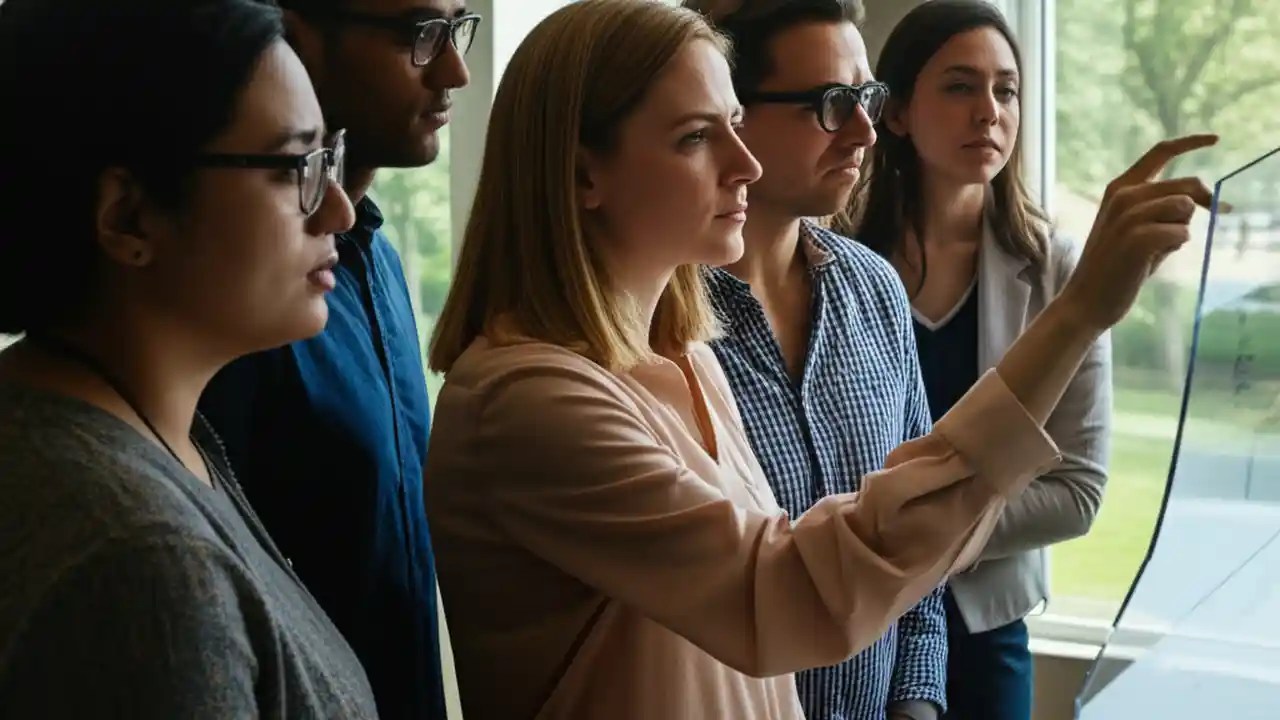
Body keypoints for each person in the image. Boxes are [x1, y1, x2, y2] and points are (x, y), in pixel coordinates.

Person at [422, 1, 1212, 718]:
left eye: (735, 124)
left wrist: (917, 698)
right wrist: (1074, 318)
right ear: (583, 170)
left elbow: (846, 591)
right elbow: (787, 594)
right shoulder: (530, 401)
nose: (746, 164)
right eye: (698, 136)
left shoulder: (681, 354)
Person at [0, 0, 374, 717]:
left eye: (330, 159)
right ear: (128, 217)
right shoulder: (139, 562)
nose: (338, 210)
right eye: (296, 164)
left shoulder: (142, 438)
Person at [832, 2, 1116, 717]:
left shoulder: (1057, 274)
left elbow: (1077, 492)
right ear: (894, 113)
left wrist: (921, 535)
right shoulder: (830, 264)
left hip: (985, 632)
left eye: (1006, 90)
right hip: (842, 619)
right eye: (960, 87)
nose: (989, 112)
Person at [198, 1, 478, 718]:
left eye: (457, 28)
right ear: (298, 35)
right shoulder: (238, 303)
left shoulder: (380, 265)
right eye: (420, 35)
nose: (456, 69)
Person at [686, 1, 945, 717]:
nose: (865, 130)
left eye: (867, 97)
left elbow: (917, 541)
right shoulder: (659, 325)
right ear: (728, 114)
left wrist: (917, 705)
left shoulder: (874, 288)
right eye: (831, 103)